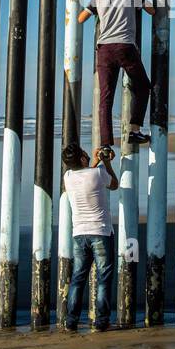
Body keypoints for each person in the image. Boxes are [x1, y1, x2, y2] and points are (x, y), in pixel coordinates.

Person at [77, 0, 154, 150]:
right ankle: (134, 130)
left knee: (106, 98)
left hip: (104, 50)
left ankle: (105, 144)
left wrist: (101, 14)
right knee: (143, 86)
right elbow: (151, 10)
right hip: (125, 47)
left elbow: (80, 18)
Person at [62, 141, 120, 332]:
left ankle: (71, 320)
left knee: (78, 278)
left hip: (79, 234)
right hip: (101, 232)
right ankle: (102, 321)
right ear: (81, 158)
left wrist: (95, 161)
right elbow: (114, 184)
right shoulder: (97, 173)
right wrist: (106, 162)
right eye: (84, 154)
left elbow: (84, 176)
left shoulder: (68, 177)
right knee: (103, 278)